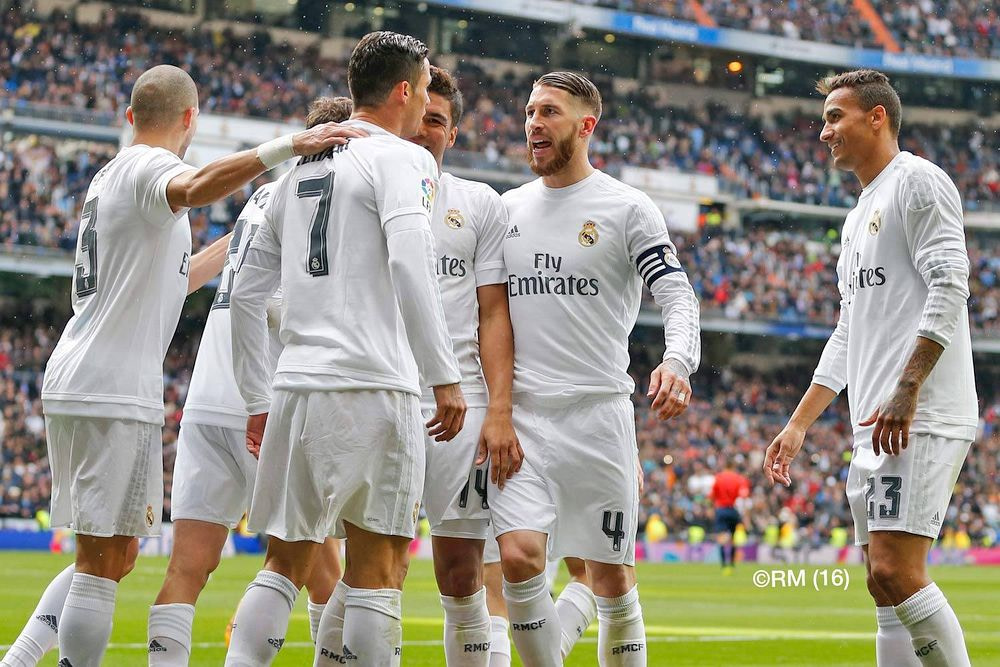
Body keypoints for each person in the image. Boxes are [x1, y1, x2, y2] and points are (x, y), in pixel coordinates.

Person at [0, 64, 359, 667]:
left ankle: (21, 657)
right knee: (99, 565)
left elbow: (174, 279)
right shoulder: (150, 168)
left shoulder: (109, 178)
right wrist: (285, 147)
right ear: (189, 119)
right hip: (113, 386)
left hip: (81, 376)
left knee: (113, 556)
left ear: (129, 115)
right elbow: (194, 188)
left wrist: (239, 245)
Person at [224, 32, 465, 667]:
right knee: (378, 565)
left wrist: (256, 396)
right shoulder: (402, 159)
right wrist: (443, 376)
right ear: (406, 91)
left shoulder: (300, 166)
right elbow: (412, 265)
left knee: (284, 562)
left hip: (296, 385)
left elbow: (246, 295)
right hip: (372, 384)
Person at [764, 69, 976, 667]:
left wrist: (909, 387)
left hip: (921, 414)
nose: (824, 130)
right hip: (875, 421)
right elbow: (848, 328)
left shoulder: (918, 183)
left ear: (877, 117)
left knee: (896, 571)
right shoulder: (858, 215)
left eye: (836, 117)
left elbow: (951, 282)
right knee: (879, 585)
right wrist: (801, 422)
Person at [494, 71, 701, 667]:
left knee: (610, 579)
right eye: (530, 110)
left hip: (598, 417)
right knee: (519, 556)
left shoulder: (627, 208)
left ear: (586, 126)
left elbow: (677, 294)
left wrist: (678, 360)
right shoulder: (506, 210)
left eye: (550, 112)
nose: (534, 122)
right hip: (524, 419)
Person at [146, 96, 355, 666]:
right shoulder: (320, 203)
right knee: (315, 567)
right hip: (264, 400)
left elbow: (235, 279)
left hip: (206, 399)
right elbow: (276, 304)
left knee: (187, 568)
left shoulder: (263, 197)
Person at [407, 66, 521, 666]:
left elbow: (494, 315)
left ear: (453, 133)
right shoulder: (361, 190)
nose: (425, 131)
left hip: (461, 407)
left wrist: (498, 409)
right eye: (418, 116)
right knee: (364, 565)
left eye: (437, 121)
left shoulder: (478, 204)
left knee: (459, 571)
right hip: (381, 396)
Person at [709, 465, 750, 574]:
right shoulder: (739, 479)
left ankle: (723, 565)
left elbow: (712, 495)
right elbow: (743, 496)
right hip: (733, 510)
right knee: (732, 538)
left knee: (721, 538)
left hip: (721, 510)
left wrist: (711, 508)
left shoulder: (718, 478)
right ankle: (731, 564)